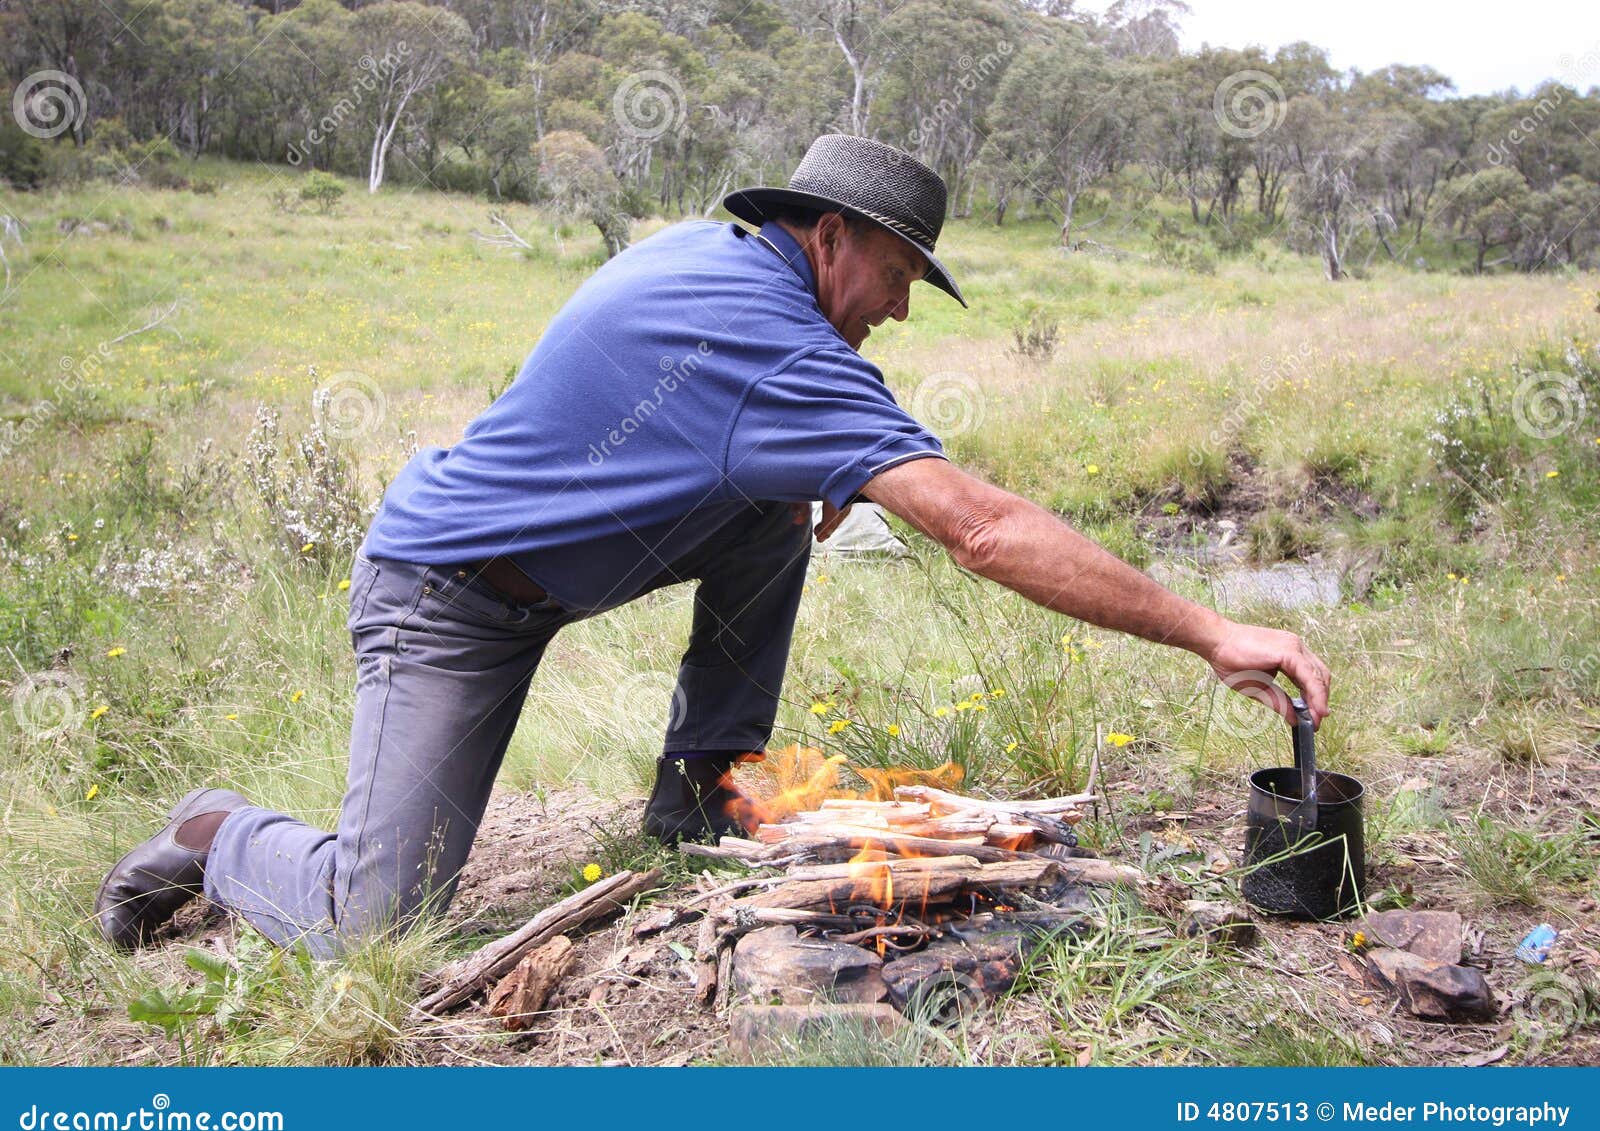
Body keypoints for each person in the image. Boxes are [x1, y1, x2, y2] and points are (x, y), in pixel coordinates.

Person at [95, 135, 1331, 960]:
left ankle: (696, 800)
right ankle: (216, 831)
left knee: (779, 510)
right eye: (898, 273)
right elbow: (985, 526)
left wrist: (809, 471)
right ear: (832, 236)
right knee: (375, 917)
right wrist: (1210, 627)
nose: (899, 307)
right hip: (446, 598)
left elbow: (799, 423)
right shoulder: (770, 345)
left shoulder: (720, 261)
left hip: (544, 574)